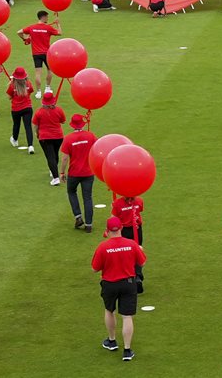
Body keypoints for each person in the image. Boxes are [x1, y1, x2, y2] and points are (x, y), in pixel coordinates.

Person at [92, 215, 146, 362]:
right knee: (127, 316)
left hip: (109, 284)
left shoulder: (103, 247)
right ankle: (127, 350)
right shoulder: (132, 244)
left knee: (109, 311)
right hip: (128, 283)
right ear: (121, 228)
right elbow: (142, 262)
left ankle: (112, 341)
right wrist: (139, 249)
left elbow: (95, 268)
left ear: (107, 230)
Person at [65, 115, 97, 230]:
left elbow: (64, 158)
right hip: (88, 172)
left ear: (72, 125)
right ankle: (89, 225)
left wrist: (62, 173)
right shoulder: (90, 136)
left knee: (71, 192)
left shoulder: (68, 138)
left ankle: (78, 216)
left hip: (74, 173)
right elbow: (97, 150)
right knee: (87, 197)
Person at [32, 88, 67, 185]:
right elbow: (63, 121)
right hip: (58, 137)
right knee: (55, 154)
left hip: (45, 137)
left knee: (50, 156)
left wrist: (37, 133)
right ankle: (53, 171)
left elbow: (35, 125)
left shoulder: (39, 112)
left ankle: (55, 177)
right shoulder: (59, 110)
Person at [20, 10, 60, 91]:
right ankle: (47, 88)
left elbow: (19, 32)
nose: (47, 18)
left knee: (38, 73)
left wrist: (24, 38)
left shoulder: (32, 27)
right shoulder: (48, 28)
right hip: (47, 53)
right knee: (50, 70)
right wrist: (58, 24)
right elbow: (60, 33)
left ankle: (38, 91)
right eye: (47, 17)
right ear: (43, 17)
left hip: (36, 54)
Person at [6, 68, 36, 152]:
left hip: (16, 109)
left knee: (16, 125)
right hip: (27, 108)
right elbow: (30, 92)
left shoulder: (12, 86)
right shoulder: (28, 84)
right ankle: (30, 146)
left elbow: (9, 97)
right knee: (28, 126)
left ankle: (15, 140)